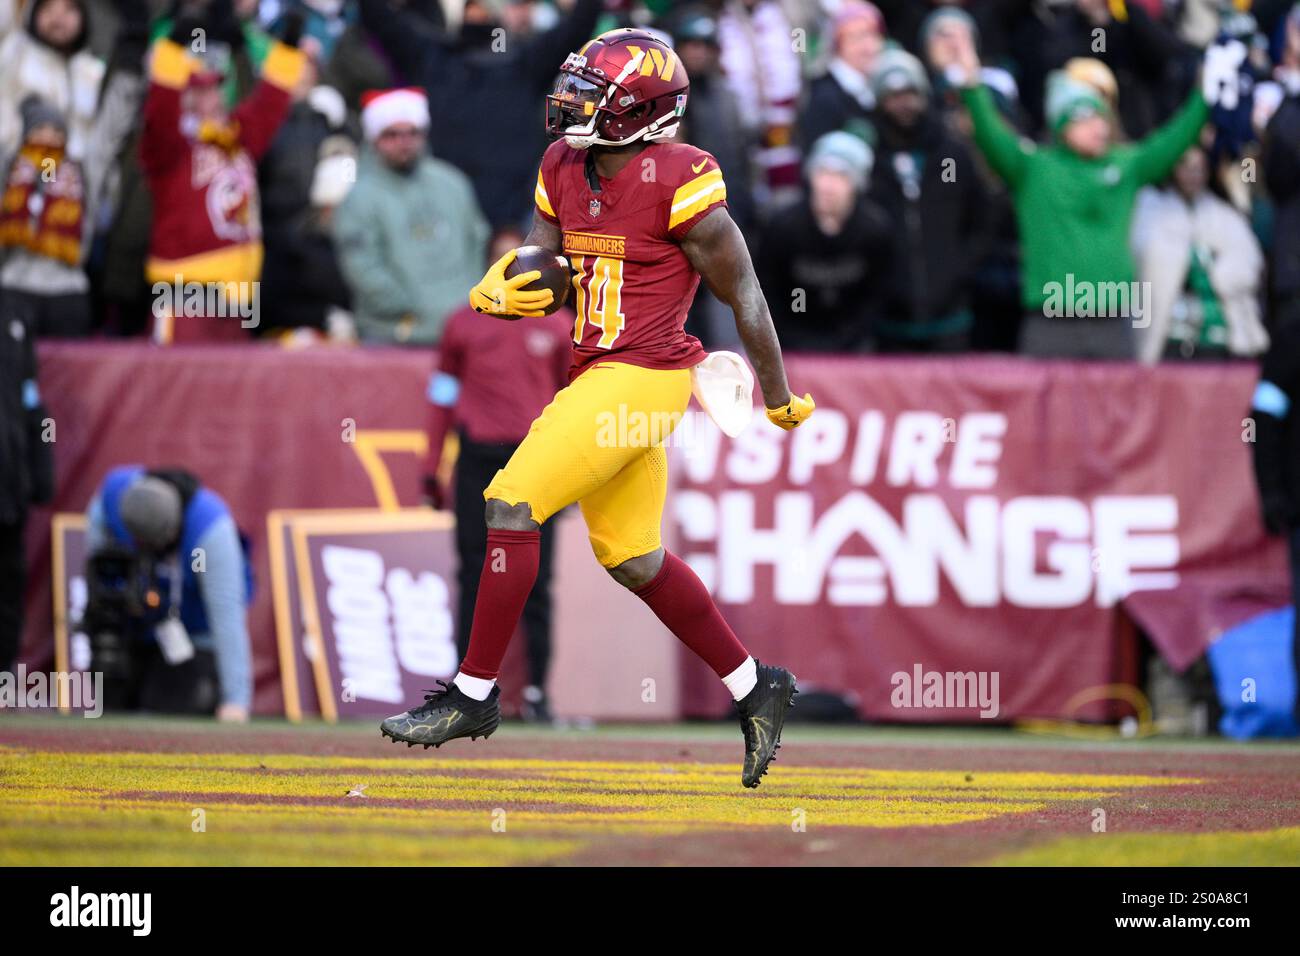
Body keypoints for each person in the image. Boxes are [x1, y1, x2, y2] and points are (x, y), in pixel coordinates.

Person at [380, 28, 815, 789]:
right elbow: (549, 261)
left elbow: (744, 292)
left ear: (642, 110)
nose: (571, 103)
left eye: (591, 94)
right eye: (573, 88)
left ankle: (474, 694)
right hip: (598, 370)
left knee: (511, 501)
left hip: (644, 375)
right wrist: (512, 285)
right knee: (633, 558)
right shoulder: (560, 162)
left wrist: (777, 396)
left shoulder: (684, 177)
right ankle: (756, 685)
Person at [950, 26, 1220, 359]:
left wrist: (1204, 96)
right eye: (1087, 118)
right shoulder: (1034, 169)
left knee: (1118, 395)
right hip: (1050, 323)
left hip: (1111, 323)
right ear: (1062, 125)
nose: (1099, 127)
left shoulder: (1125, 164)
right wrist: (971, 82)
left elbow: (1173, 141)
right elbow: (991, 135)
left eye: (1102, 118)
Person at [423, 228, 573, 723]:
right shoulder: (463, 323)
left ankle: (537, 695)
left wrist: (577, 474)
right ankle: (467, 689)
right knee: (472, 572)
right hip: (478, 458)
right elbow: (443, 394)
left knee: (537, 580)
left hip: (535, 459)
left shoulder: (557, 327)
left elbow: (572, 402)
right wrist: (431, 464)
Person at [140, 6, 308, 343]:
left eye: (215, 88)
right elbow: (159, 111)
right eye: (198, 90)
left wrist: (287, 52)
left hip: (239, 292)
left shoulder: (236, 137)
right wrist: (171, 54)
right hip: (184, 289)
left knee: (232, 377)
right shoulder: (168, 146)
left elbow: (268, 106)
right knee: (180, 375)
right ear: (182, 96)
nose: (212, 98)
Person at [0, 2, 146, 339]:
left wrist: (131, 57)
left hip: (74, 253)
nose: (58, 18)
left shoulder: (90, 71)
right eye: (48, 8)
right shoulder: (14, 58)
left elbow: (109, 131)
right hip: (14, 266)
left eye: (69, 9)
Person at [83, 466, 252, 721]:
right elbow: (99, 568)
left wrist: (236, 701)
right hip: (141, 625)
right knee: (112, 696)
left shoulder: (208, 534)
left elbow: (227, 617)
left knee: (173, 702)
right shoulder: (113, 500)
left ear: (173, 531)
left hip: (193, 633)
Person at [333, 87, 489, 344]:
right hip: (392, 333)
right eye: (391, 134)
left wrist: (467, 302)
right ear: (374, 139)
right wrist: (415, 309)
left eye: (412, 133)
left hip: (463, 327)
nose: (403, 142)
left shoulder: (452, 183)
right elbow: (363, 269)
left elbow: (478, 244)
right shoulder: (358, 198)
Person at [869, 47, 992, 352]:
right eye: (893, 96)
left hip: (951, 321)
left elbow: (984, 217)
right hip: (889, 324)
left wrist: (960, 268)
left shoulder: (952, 154)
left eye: (911, 94)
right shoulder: (868, 161)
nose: (904, 105)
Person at [1130, 145, 1268, 362]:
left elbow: (1247, 262)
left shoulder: (1225, 216)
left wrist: (1216, 275)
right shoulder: (1150, 210)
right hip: (1169, 336)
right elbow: (1144, 255)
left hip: (1216, 335)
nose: (1193, 175)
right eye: (1186, 167)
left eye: (1199, 168)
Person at [758, 130, 890, 352]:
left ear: (856, 184)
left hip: (854, 347)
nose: (828, 185)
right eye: (822, 173)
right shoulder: (783, 227)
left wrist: (852, 339)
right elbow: (767, 291)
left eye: (841, 176)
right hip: (792, 344)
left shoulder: (874, 230)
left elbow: (877, 295)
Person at [0, 290, 54, 675]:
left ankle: (3, 671)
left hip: (9, 485)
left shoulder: (15, 314)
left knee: (8, 581)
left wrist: (42, 468)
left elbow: (34, 404)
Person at [799, 0, 886, 152]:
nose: (868, 46)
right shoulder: (824, 97)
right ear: (838, 44)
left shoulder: (875, 89)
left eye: (873, 35)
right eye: (857, 38)